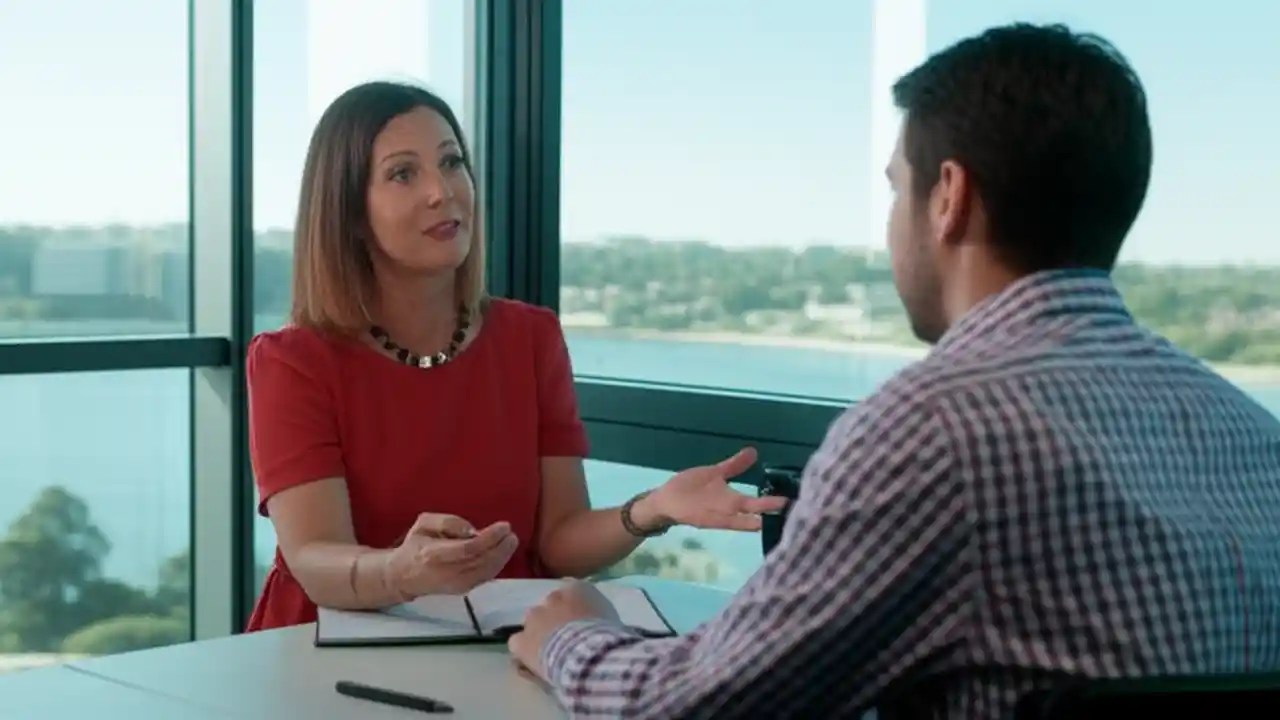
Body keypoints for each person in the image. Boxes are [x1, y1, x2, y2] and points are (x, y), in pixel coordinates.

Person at [507, 22, 1280, 718]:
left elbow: (700, 707)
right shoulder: (1251, 434)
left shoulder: (934, 432)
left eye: (894, 189)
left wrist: (572, 640)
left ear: (949, 196)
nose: (889, 229)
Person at [244, 81, 788, 631]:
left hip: (497, 647)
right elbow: (314, 559)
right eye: (403, 173)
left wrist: (653, 508)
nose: (443, 191)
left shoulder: (530, 338)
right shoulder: (294, 361)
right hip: (318, 649)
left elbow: (557, 544)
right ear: (350, 212)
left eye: (452, 162)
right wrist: (403, 571)